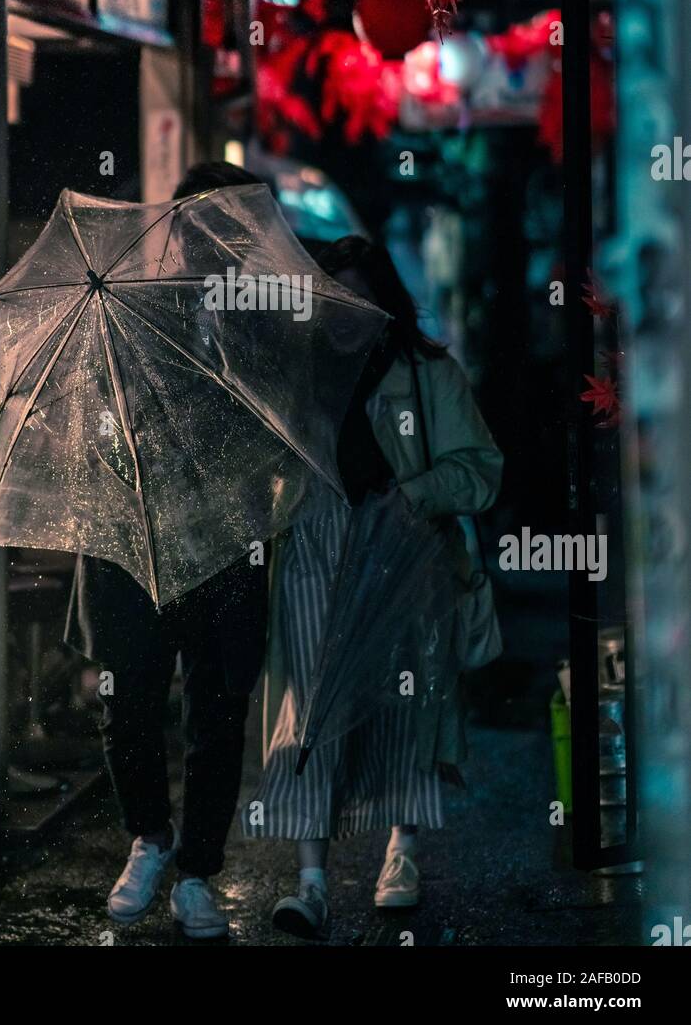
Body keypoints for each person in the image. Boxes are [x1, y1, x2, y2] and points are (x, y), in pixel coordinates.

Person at [243, 235, 503, 941]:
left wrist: (413, 494)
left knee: (404, 703)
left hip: (403, 551)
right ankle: (312, 881)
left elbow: (480, 467)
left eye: (363, 295)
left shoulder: (426, 372)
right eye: (337, 297)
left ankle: (402, 854)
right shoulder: (296, 373)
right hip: (313, 546)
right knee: (310, 710)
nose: (350, 311)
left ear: (386, 300)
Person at [64, 161, 268, 941]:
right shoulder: (130, 307)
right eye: (208, 220)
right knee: (128, 701)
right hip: (133, 534)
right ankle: (148, 838)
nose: (220, 238)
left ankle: (198, 871)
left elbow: (277, 436)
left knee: (219, 707)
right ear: (180, 227)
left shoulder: (264, 322)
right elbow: (97, 415)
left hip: (224, 542)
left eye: (236, 223)